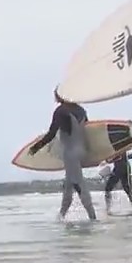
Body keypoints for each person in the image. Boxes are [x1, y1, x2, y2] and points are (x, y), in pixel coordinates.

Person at [29, 91, 97, 221]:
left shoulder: (60, 111)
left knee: (78, 184)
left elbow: (51, 134)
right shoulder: (81, 110)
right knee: (68, 185)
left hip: (70, 153)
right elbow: (88, 130)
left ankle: (93, 218)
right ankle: (61, 217)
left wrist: (35, 148)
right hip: (82, 151)